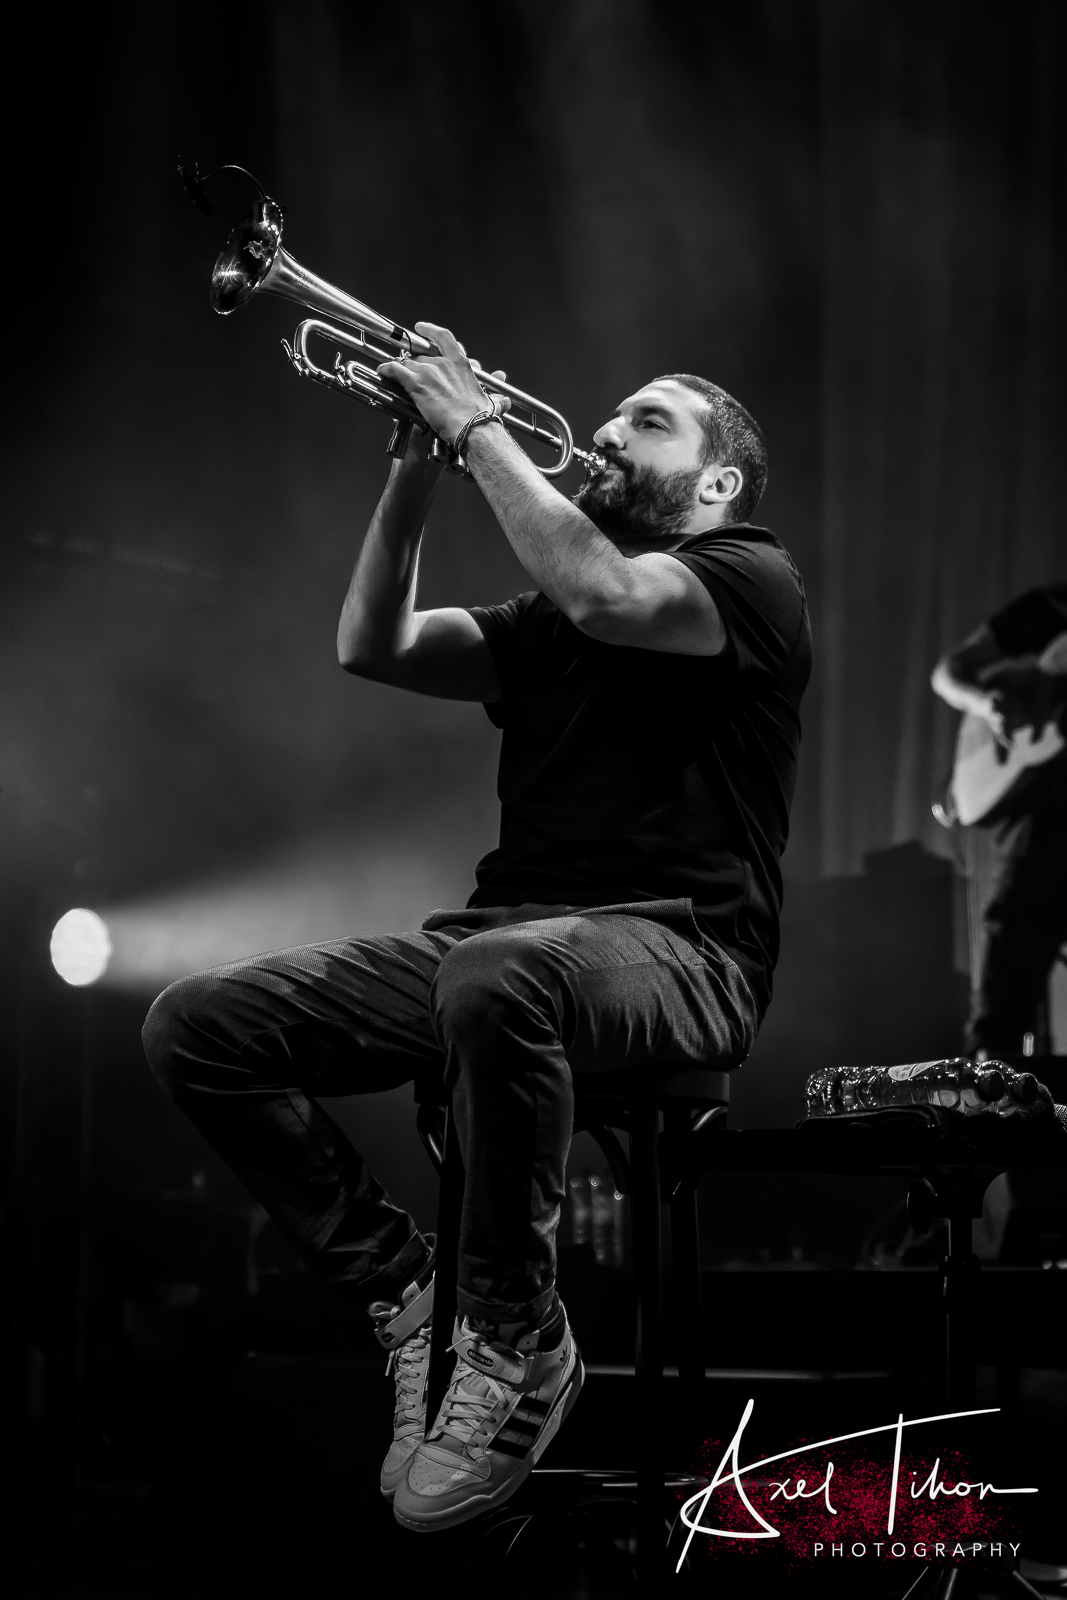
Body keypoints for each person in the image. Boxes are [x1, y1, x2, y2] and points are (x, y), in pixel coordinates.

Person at [141, 323, 811, 1532]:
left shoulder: (747, 577)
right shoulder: (547, 615)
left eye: (646, 420)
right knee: (197, 1023)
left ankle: (513, 1338)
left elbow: (608, 593)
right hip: (501, 950)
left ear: (716, 483)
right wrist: (412, 464)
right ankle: (409, 1296)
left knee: (497, 977)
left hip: (685, 952)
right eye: (608, 413)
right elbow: (374, 644)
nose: (603, 431)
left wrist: (472, 424)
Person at [932, 585, 1067, 1057]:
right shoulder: (1053, 607)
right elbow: (948, 674)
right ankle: (991, 1103)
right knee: (1006, 978)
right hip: (1042, 826)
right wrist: (988, 705)